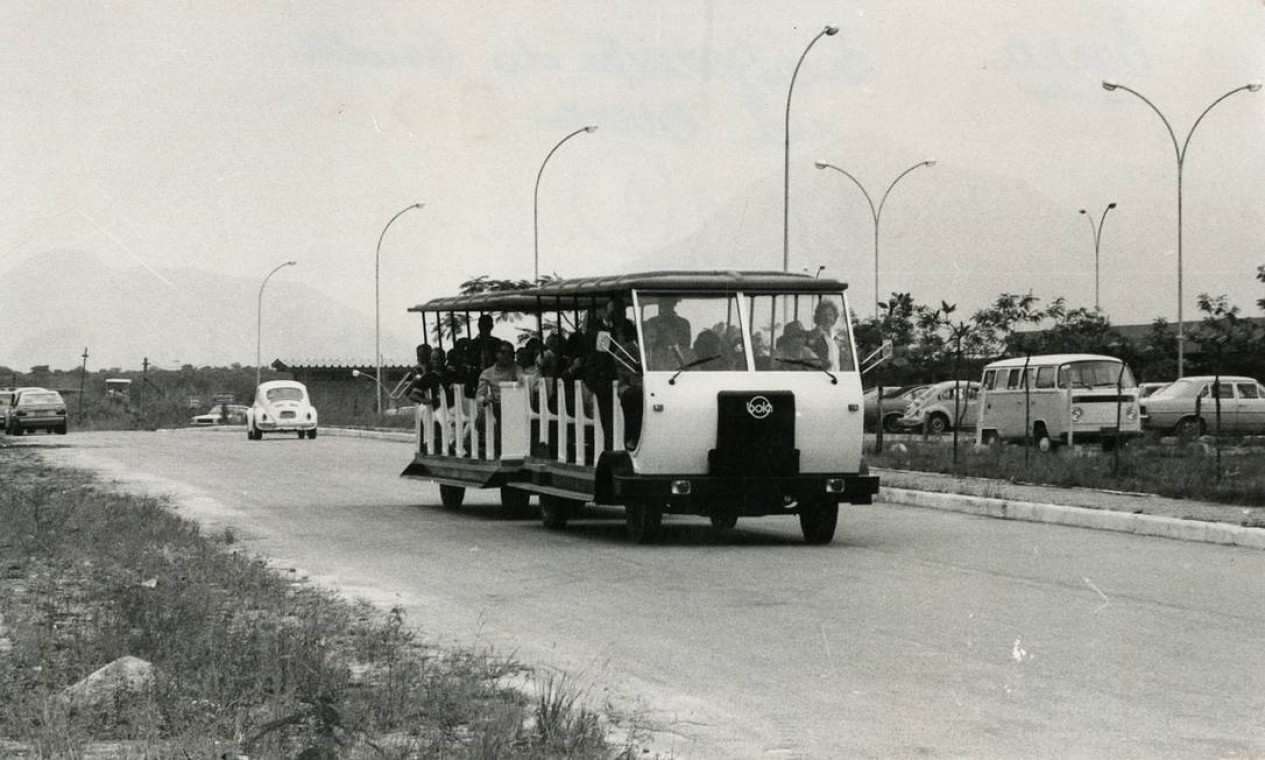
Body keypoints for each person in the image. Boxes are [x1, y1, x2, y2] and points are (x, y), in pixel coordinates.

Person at [806, 300, 843, 370]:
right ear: (818, 317)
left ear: (834, 317)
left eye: (830, 315)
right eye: (824, 315)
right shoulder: (813, 336)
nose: (827, 318)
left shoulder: (837, 338)